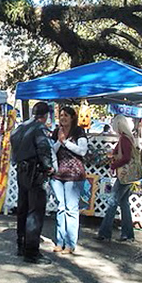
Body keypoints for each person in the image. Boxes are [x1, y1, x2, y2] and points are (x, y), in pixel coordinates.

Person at [10, 101, 56, 264]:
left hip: (22, 171)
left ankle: (21, 245)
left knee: (22, 209)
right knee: (35, 212)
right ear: (46, 116)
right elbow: (43, 148)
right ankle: (31, 251)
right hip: (35, 172)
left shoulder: (20, 127)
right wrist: (49, 167)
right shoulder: (39, 129)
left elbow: (13, 144)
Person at [50, 106, 87, 255]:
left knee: (71, 209)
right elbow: (52, 149)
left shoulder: (78, 131)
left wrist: (66, 142)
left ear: (72, 117)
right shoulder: (56, 131)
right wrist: (59, 141)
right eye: (61, 115)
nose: (63, 118)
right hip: (58, 174)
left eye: (66, 115)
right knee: (61, 208)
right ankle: (60, 241)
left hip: (74, 174)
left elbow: (82, 150)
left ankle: (70, 243)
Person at [96, 114, 137, 243]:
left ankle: (105, 232)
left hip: (124, 175)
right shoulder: (129, 138)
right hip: (130, 175)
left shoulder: (124, 139)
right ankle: (127, 233)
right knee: (124, 203)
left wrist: (114, 164)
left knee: (113, 202)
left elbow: (126, 158)